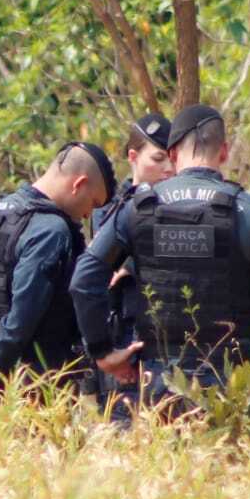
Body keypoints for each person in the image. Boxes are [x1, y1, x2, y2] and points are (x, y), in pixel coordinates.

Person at [70, 104, 250, 415]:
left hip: (157, 386)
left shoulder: (137, 209)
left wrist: (102, 352)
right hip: (235, 385)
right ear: (223, 152)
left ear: (172, 153)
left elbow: (84, 280)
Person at [0, 141, 116, 412]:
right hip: (37, 389)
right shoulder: (52, 231)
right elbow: (21, 318)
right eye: (93, 203)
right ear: (79, 184)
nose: (88, 214)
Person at [90, 114, 174, 417]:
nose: (168, 168)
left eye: (173, 159)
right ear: (133, 157)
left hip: (166, 338)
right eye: (159, 158)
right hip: (120, 340)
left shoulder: (181, 207)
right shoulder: (106, 210)